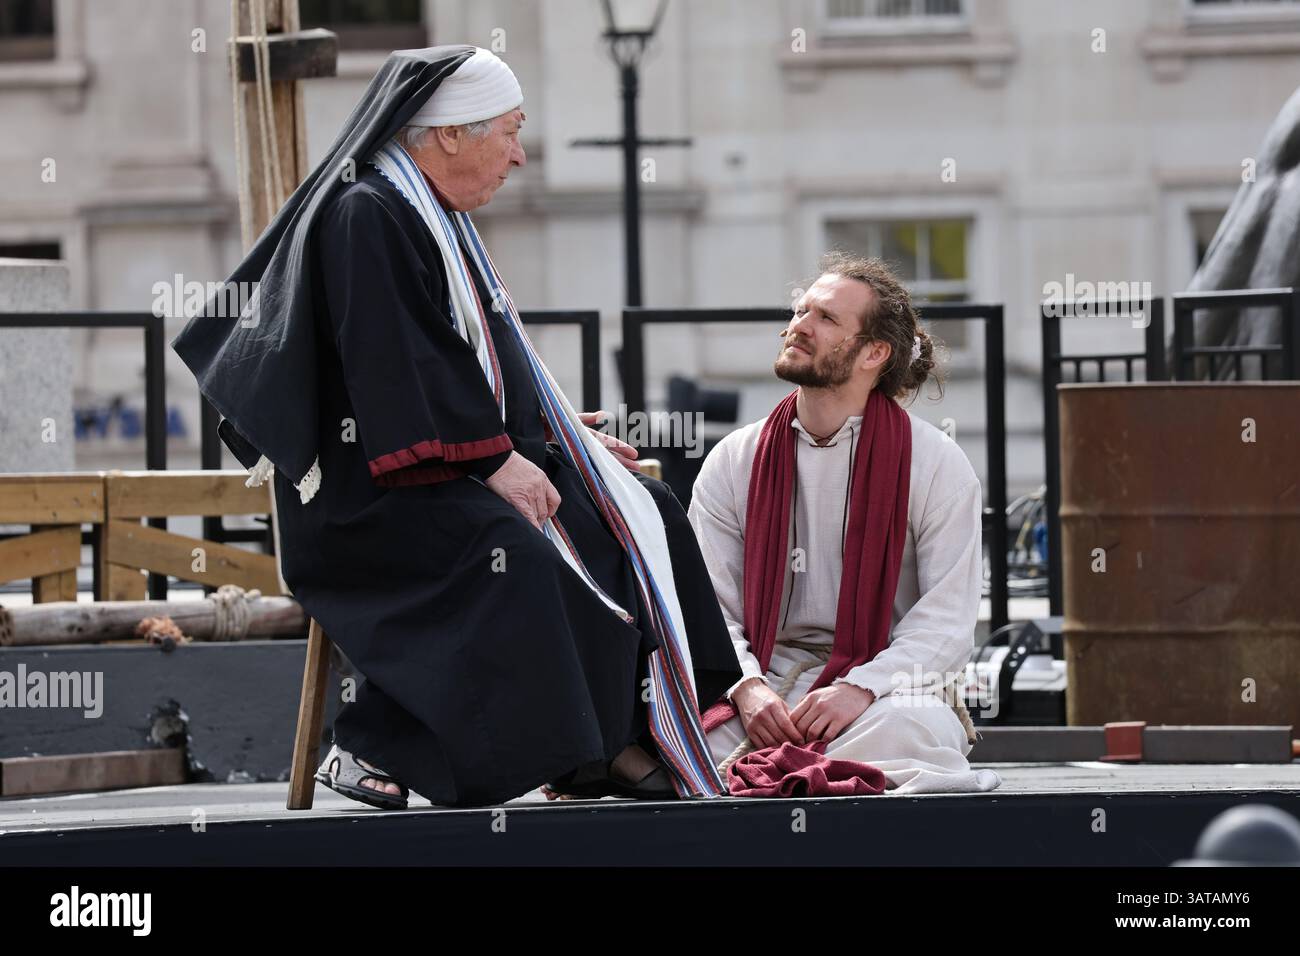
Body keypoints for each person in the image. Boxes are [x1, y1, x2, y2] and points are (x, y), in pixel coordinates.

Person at [172, 46, 740, 809]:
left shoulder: (428, 212)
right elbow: (397, 366)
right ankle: (372, 743)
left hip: (441, 465)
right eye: (508, 132)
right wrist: (500, 460)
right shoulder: (365, 213)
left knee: (643, 512)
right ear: (446, 135)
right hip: (372, 492)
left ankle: (612, 741)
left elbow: (473, 363)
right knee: (517, 556)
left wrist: (556, 438)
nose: (519, 153)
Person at [688, 253, 1002, 795]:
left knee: (909, 731)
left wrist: (860, 687)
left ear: (874, 353)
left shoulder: (935, 462)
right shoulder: (735, 458)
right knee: (660, 726)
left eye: (826, 319)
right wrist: (747, 687)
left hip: (887, 690)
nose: (799, 327)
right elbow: (707, 605)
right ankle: (798, 766)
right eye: (801, 311)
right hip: (766, 681)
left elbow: (946, 623)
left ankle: (779, 770)